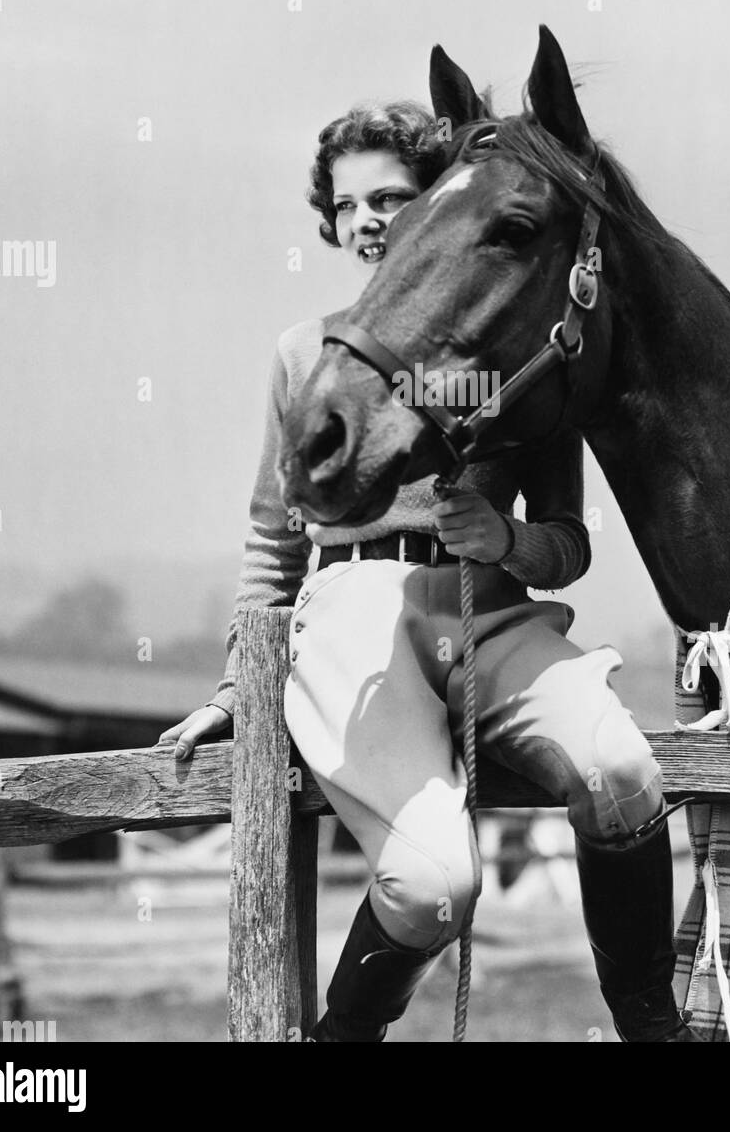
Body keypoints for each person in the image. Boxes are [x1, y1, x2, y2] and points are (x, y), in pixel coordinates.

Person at [160, 101, 697, 1043]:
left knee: (619, 771)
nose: (370, 218)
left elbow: (567, 544)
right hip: (354, 617)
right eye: (349, 203)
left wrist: (504, 542)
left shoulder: (518, 337)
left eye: (392, 199)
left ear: (431, 209)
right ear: (329, 223)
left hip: (490, 612)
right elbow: (270, 543)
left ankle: (652, 1027)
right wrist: (237, 685)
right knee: (432, 881)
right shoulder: (307, 356)